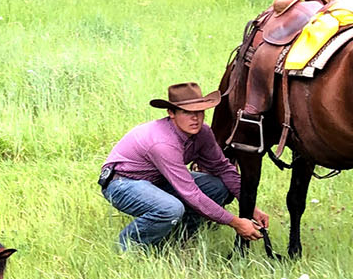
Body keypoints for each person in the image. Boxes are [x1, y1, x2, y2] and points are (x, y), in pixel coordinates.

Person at [100, 82, 269, 251]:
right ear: (171, 113)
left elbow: (223, 169)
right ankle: (126, 248)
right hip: (122, 183)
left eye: (199, 111)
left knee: (218, 186)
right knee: (170, 208)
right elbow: (191, 194)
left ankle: (180, 238)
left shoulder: (203, 133)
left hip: (159, 179)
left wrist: (250, 206)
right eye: (187, 112)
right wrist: (236, 223)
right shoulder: (163, 143)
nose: (195, 118)